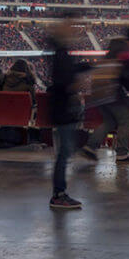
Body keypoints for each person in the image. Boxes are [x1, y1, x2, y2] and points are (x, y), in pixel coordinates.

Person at [49, 13, 89, 210]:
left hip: (63, 109)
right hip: (63, 109)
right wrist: (75, 84)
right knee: (64, 152)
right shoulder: (61, 54)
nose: (74, 30)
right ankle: (58, 194)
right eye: (70, 26)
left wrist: (87, 67)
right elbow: (64, 81)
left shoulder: (62, 53)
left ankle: (59, 192)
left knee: (65, 152)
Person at [80, 39, 129, 164]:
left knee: (109, 122)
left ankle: (90, 146)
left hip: (98, 99)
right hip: (112, 97)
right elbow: (127, 79)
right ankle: (122, 153)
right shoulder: (117, 63)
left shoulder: (102, 62)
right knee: (125, 120)